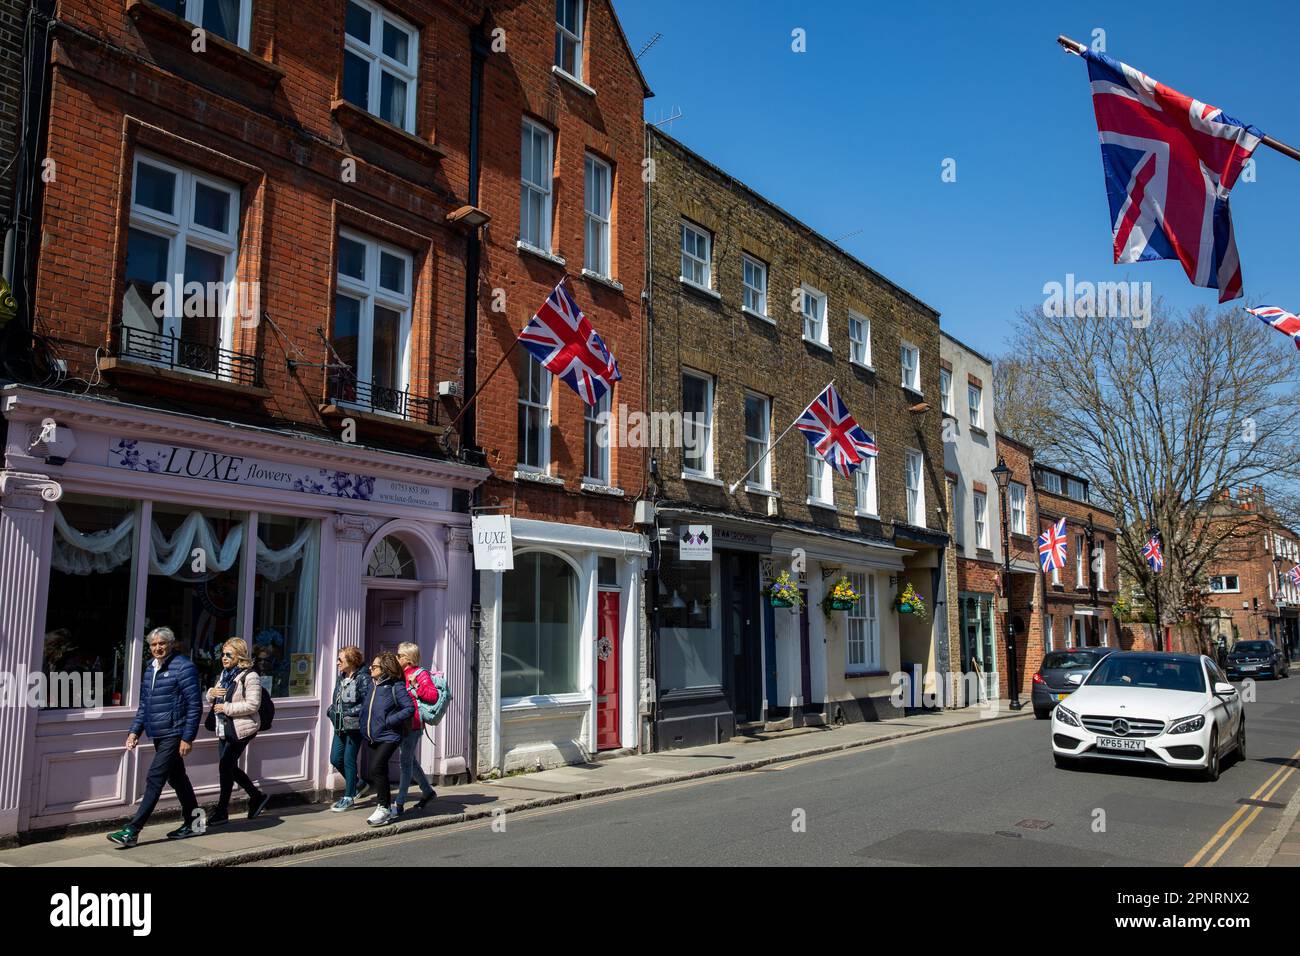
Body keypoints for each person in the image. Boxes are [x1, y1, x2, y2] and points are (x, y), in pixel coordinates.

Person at [107, 627, 202, 848]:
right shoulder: (150, 669)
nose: (157, 648)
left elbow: (195, 705)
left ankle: (132, 830)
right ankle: (196, 823)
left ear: (172, 644)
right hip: (158, 732)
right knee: (178, 779)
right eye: (153, 644)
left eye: (162, 643)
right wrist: (134, 731)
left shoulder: (184, 667)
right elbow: (145, 705)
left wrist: (188, 737)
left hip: (174, 732)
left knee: (154, 779)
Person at [206, 638, 271, 825]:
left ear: (239, 656)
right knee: (228, 767)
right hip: (224, 727)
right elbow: (212, 698)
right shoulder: (224, 674)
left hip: (242, 728)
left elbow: (253, 705)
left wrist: (226, 707)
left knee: (225, 766)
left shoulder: (250, 676)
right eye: (223, 654)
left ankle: (222, 811)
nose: (224, 658)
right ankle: (256, 796)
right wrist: (211, 694)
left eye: (229, 655)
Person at [360, 652, 413, 827]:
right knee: (380, 771)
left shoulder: (395, 686)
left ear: (384, 669)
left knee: (376, 768)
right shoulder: (372, 685)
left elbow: (409, 708)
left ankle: (383, 808)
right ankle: (387, 808)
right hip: (373, 735)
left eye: (374, 666)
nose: (370, 669)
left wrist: (389, 721)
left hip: (390, 735)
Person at [325, 645, 372, 811]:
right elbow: (337, 698)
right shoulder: (342, 676)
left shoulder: (363, 678)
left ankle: (349, 796)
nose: (338, 662)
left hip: (353, 725)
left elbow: (368, 703)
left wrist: (348, 712)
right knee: (335, 758)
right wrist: (332, 710)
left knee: (348, 759)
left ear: (351, 660)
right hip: (339, 724)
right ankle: (358, 784)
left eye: (340, 659)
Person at [394, 641, 437, 816]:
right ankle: (428, 792)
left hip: (413, 724)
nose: (396, 658)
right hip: (401, 723)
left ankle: (399, 803)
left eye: (398, 655)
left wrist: (416, 686)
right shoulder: (399, 674)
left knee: (405, 763)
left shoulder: (420, 674)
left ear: (407, 658)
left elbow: (433, 696)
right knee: (410, 761)